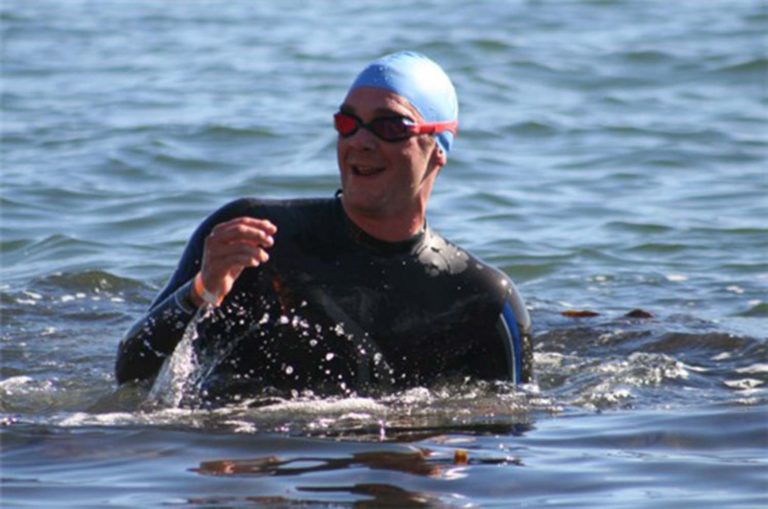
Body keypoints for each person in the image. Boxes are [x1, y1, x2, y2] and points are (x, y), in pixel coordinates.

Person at [115, 51, 532, 401]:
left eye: (390, 127)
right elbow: (131, 375)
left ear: (438, 148)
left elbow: (507, 451)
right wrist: (200, 291)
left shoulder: (481, 300)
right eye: (348, 123)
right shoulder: (251, 239)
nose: (361, 141)